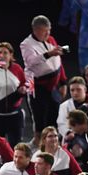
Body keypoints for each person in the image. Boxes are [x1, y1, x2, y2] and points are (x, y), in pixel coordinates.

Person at [20, 15, 67, 145]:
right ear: (35, 30)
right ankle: (38, 145)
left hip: (54, 85)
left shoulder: (50, 39)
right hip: (37, 86)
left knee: (54, 115)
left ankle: (52, 144)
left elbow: (58, 61)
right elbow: (30, 62)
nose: (48, 33)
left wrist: (63, 82)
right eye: (45, 30)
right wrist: (48, 54)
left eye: (49, 30)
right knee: (39, 118)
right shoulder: (26, 44)